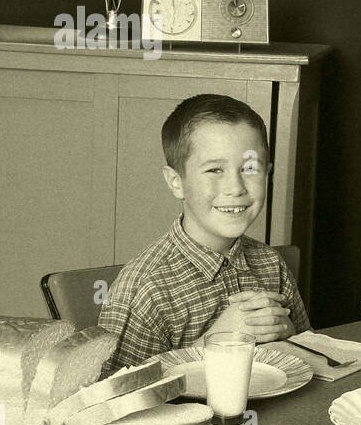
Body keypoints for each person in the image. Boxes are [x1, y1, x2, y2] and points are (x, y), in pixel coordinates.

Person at [99, 95, 311, 373]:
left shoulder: (271, 264)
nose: (235, 187)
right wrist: (210, 345)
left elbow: (313, 361)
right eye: (214, 169)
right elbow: (114, 402)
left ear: (268, 174)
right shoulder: (145, 290)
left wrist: (291, 335)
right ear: (176, 182)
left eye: (250, 168)